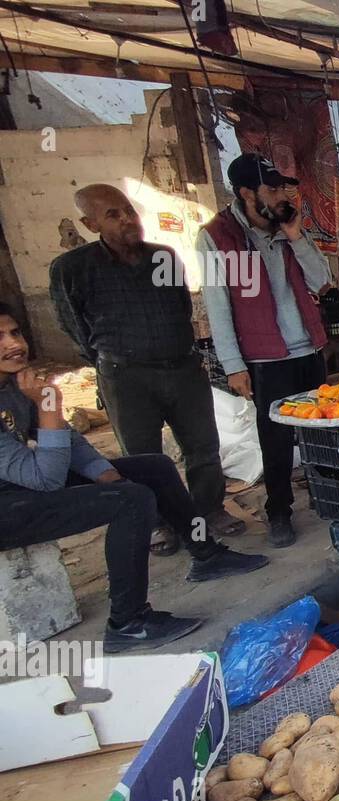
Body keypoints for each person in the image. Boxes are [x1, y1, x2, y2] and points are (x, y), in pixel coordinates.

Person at [0, 303, 268, 652]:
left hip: (29, 481)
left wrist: (103, 472)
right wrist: (47, 405)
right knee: (131, 501)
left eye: (15, 332)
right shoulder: (32, 392)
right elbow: (47, 479)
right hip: (10, 507)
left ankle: (206, 555)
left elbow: (68, 440)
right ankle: (128, 622)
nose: (13, 344)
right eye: (0, 338)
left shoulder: (16, 385)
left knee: (154, 468)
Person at [49, 184, 244, 557]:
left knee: (202, 446)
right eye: (113, 215)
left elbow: (180, 308)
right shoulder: (73, 268)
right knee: (144, 457)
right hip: (126, 376)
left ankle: (210, 511)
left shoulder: (163, 257)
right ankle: (160, 523)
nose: (127, 220)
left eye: (128, 211)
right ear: (90, 223)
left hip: (182, 368)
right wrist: (109, 361)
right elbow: (71, 324)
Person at [198, 153, 333, 549]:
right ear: (245, 193)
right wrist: (233, 365)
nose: (280, 195)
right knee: (274, 437)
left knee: (322, 429)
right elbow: (217, 304)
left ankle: (330, 498)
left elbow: (323, 281)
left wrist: (297, 236)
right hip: (265, 358)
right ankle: (279, 511)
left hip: (307, 348)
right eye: (271, 189)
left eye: (281, 187)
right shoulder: (217, 237)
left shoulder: (287, 230)